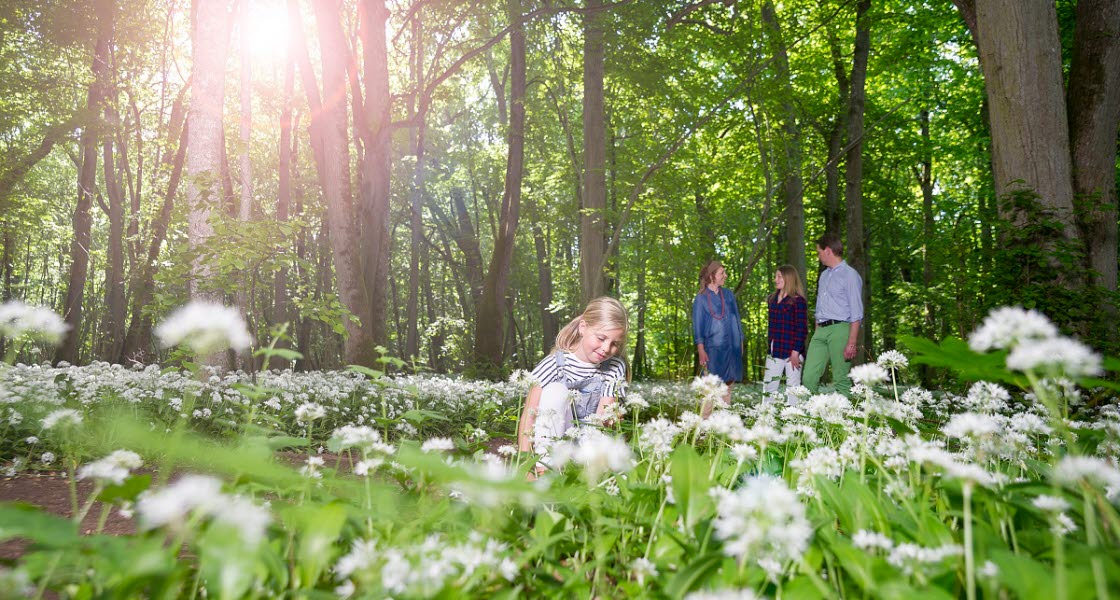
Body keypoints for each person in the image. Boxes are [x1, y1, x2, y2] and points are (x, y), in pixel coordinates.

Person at [516, 297, 629, 472]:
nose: (606, 349)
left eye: (615, 344)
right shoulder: (552, 364)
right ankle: (544, 470)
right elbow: (528, 417)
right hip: (555, 443)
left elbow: (603, 418)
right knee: (555, 391)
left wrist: (612, 417)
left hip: (589, 446)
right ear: (583, 327)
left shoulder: (614, 367)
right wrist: (525, 467)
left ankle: (590, 471)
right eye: (601, 338)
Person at [802, 233, 863, 397]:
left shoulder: (850, 275)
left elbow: (857, 311)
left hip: (841, 329)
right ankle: (815, 415)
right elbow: (819, 307)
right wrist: (816, 331)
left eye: (819, 252)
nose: (818, 256)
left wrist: (852, 341)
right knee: (808, 378)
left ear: (828, 250)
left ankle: (848, 420)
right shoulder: (823, 276)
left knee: (840, 379)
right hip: (820, 330)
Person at [691, 260, 744, 413]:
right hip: (712, 350)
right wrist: (701, 349)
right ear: (712, 276)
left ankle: (723, 427)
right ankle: (705, 429)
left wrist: (740, 341)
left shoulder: (728, 295)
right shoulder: (700, 299)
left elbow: (736, 318)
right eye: (722, 273)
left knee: (728, 389)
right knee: (710, 390)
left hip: (731, 348)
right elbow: (698, 326)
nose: (725, 276)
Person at [764, 265, 808, 396]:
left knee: (793, 389)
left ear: (788, 279)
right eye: (775, 276)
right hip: (775, 350)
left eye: (779, 277)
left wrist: (795, 353)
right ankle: (766, 415)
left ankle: (792, 415)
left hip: (793, 353)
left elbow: (802, 329)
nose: (775, 279)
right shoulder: (772, 299)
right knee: (769, 387)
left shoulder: (798, 301)